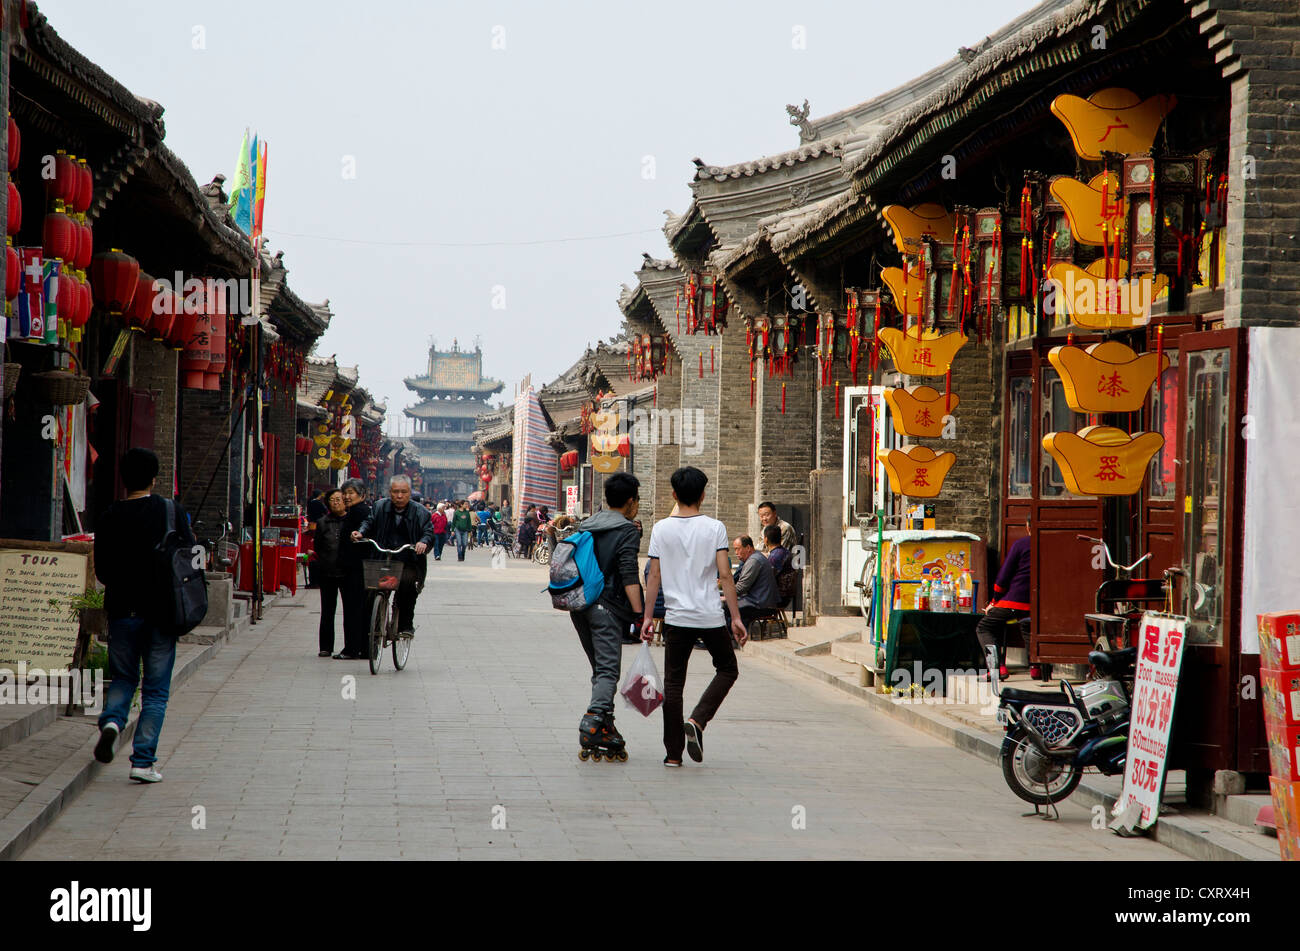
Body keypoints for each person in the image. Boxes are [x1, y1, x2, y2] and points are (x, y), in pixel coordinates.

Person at [92, 447, 196, 783]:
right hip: (162, 614)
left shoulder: (109, 516)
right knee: (155, 690)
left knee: (123, 678)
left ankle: (112, 721)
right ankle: (142, 761)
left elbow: (104, 571)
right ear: (154, 477)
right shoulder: (171, 511)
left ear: (122, 479)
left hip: (123, 611)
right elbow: (191, 558)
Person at [641, 466, 748, 767]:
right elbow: (726, 575)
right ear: (703, 495)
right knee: (728, 669)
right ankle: (698, 720)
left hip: (676, 619)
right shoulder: (715, 528)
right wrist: (736, 618)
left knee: (674, 685)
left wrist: (648, 618)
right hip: (711, 615)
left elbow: (654, 576)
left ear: (674, 495)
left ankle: (673, 754)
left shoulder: (661, 529)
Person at [571, 473, 645, 761]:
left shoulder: (587, 524)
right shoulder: (626, 530)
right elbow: (629, 575)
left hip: (580, 607)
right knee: (608, 671)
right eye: (637, 500)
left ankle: (606, 726)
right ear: (630, 502)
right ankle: (593, 722)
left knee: (602, 670)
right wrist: (639, 614)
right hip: (607, 608)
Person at [353, 475, 433, 638]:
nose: (399, 496)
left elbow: (428, 532)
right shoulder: (379, 507)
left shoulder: (421, 512)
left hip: (409, 560)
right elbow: (369, 522)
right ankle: (372, 632)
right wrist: (360, 532)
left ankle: (405, 626)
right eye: (395, 492)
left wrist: (423, 542)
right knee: (370, 592)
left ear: (410, 492)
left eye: (403, 492)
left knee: (407, 588)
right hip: (383, 556)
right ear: (390, 492)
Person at [976, 518, 1032, 680]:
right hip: (1038, 605)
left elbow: (1002, 578)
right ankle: (1036, 668)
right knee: (1028, 626)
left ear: (1028, 526)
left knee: (985, 627)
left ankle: (996, 668)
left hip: (1014, 601)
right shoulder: (1052, 545)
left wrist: (994, 601)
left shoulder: (1021, 544)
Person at [335, 478, 373, 659]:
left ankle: (351, 648)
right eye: (345, 493)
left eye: (351, 493)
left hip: (354, 568)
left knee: (352, 609)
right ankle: (364, 648)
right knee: (361, 609)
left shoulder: (360, 512)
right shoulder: (357, 511)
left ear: (362, 495)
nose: (347, 497)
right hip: (358, 567)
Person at [730, 534, 778, 631]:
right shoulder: (753, 558)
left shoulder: (754, 561)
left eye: (738, 549)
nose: (736, 553)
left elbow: (741, 588)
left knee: (724, 606)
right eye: (735, 549)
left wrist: (725, 595)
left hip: (760, 603)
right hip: (758, 600)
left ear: (748, 547)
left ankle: (731, 639)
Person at [764, 524, 798, 607]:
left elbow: (766, 579)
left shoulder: (775, 557)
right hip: (785, 596)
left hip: (777, 598)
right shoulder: (785, 552)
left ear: (766, 539)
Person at [304, 488, 330, 588]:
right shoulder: (318, 503)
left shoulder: (310, 502)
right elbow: (325, 512)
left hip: (311, 525)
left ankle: (313, 580)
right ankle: (316, 581)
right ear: (319, 495)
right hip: (317, 526)